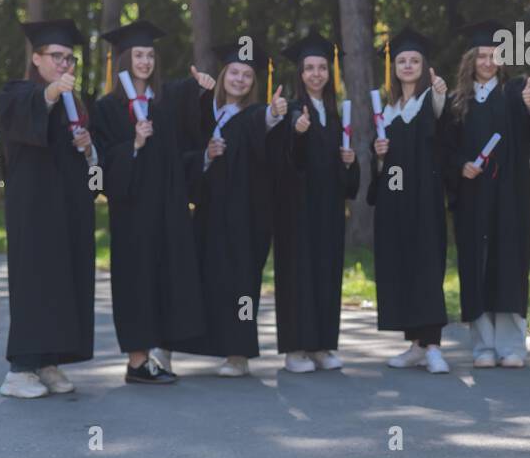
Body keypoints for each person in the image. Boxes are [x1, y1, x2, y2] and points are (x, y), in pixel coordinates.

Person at [89, 19, 215, 385]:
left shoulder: (167, 102)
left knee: (167, 275)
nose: (145, 61)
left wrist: (204, 89)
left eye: (150, 55)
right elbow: (102, 163)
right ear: (124, 60)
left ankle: (159, 352)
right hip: (132, 212)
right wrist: (134, 145)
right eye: (138, 55)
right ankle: (136, 360)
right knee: (136, 280)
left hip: (169, 208)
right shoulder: (108, 108)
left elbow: (195, 132)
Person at [0, 19, 98, 399]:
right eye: (56, 57)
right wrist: (53, 92)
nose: (64, 64)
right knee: (36, 281)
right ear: (36, 57)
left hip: (67, 210)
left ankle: (48, 360)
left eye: (69, 59)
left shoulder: (76, 103)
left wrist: (88, 147)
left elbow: (88, 167)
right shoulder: (17, 94)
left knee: (63, 280)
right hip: (33, 210)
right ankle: (20, 369)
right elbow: (27, 115)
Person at [173, 41, 288, 376]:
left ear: (254, 83)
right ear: (224, 75)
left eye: (247, 75)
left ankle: (238, 353)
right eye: (234, 72)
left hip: (248, 216)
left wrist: (273, 113)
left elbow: (262, 126)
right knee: (208, 279)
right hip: (210, 213)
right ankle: (205, 346)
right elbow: (187, 157)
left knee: (242, 285)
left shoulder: (255, 113)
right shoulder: (206, 114)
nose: (239, 79)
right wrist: (207, 155)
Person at [441, 21, 530, 368]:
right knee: (476, 265)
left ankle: (512, 346)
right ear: (471, 60)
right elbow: (447, 147)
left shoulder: (516, 92)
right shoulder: (459, 101)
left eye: (494, 56)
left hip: (509, 196)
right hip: (473, 196)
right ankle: (482, 346)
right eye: (482, 56)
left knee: (509, 264)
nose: (487, 62)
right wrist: (461, 166)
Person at [271, 30, 361, 373]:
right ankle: (295, 349)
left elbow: (348, 177)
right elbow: (283, 161)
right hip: (296, 209)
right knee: (298, 274)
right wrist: (297, 133)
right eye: (309, 68)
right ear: (300, 73)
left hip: (329, 209)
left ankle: (322, 345)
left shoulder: (338, 115)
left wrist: (350, 163)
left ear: (330, 72)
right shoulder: (293, 111)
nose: (316, 74)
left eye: (322, 67)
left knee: (326, 272)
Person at [366, 28, 451, 374]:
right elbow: (383, 167)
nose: (407, 65)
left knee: (427, 266)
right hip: (394, 202)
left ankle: (432, 345)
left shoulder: (430, 100)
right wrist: (378, 155)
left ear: (423, 65)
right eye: (401, 60)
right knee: (401, 266)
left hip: (425, 198)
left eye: (414, 60)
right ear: (393, 67)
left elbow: (444, 132)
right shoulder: (386, 110)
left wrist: (441, 98)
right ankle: (415, 344)